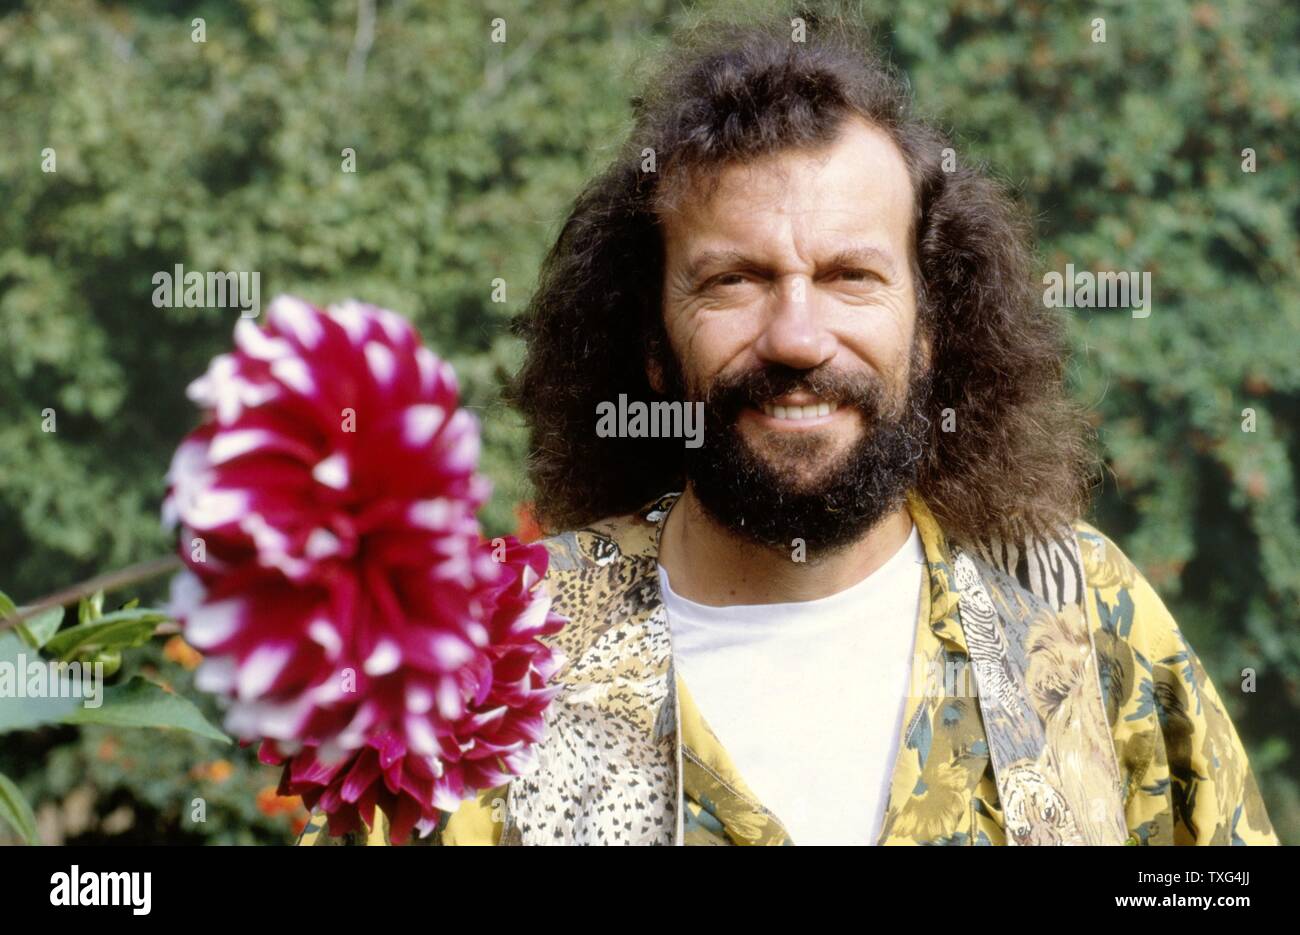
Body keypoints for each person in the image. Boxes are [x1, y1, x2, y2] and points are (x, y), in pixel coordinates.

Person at [298, 15, 1276, 847]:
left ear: (930, 330)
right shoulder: (481, 663)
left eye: (852, 275)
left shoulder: (1080, 613)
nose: (798, 335)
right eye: (735, 280)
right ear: (651, 343)